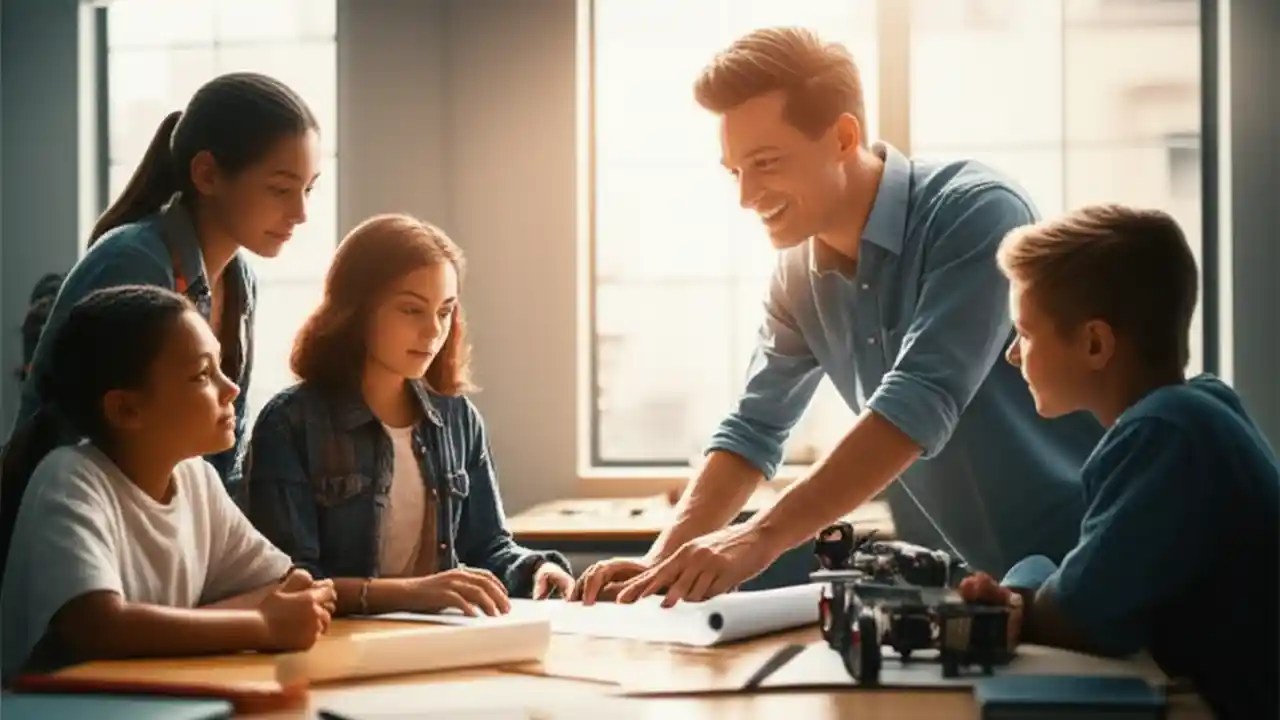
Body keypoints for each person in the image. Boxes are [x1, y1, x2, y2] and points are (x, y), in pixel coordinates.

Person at [573, 27, 1101, 606]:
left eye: (766, 162)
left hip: (1097, 552)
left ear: (844, 137)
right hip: (993, 584)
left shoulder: (976, 213)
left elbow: (918, 400)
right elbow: (753, 429)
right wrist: (659, 563)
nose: (746, 196)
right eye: (735, 171)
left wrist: (756, 538)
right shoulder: (796, 275)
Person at [958, 205, 1279, 720]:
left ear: (1094, 344)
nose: (1013, 355)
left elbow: (1081, 617)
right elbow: (1094, 579)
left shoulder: (1163, 433)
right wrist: (1029, 588)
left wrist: (1016, 597)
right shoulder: (1203, 406)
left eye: (1026, 333)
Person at [246, 215, 574, 617]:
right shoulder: (290, 423)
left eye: (444, 312)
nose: (433, 331)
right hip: (334, 642)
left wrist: (536, 569)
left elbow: (487, 548)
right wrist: (410, 593)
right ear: (356, 309)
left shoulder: (458, 418)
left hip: (435, 636)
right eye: (411, 310)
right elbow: (291, 583)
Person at [1, 286, 335, 681]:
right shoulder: (71, 479)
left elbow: (282, 585)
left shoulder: (196, 479)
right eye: (203, 375)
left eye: (221, 367)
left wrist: (265, 610)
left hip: (156, 697)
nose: (232, 388)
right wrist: (262, 625)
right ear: (127, 409)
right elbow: (97, 627)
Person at [13, 71, 322, 499]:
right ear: (207, 174)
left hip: (177, 516)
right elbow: (94, 446)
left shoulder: (240, 279)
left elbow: (222, 452)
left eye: (309, 189)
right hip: (79, 508)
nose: (301, 212)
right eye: (281, 189)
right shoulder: (133, 262)